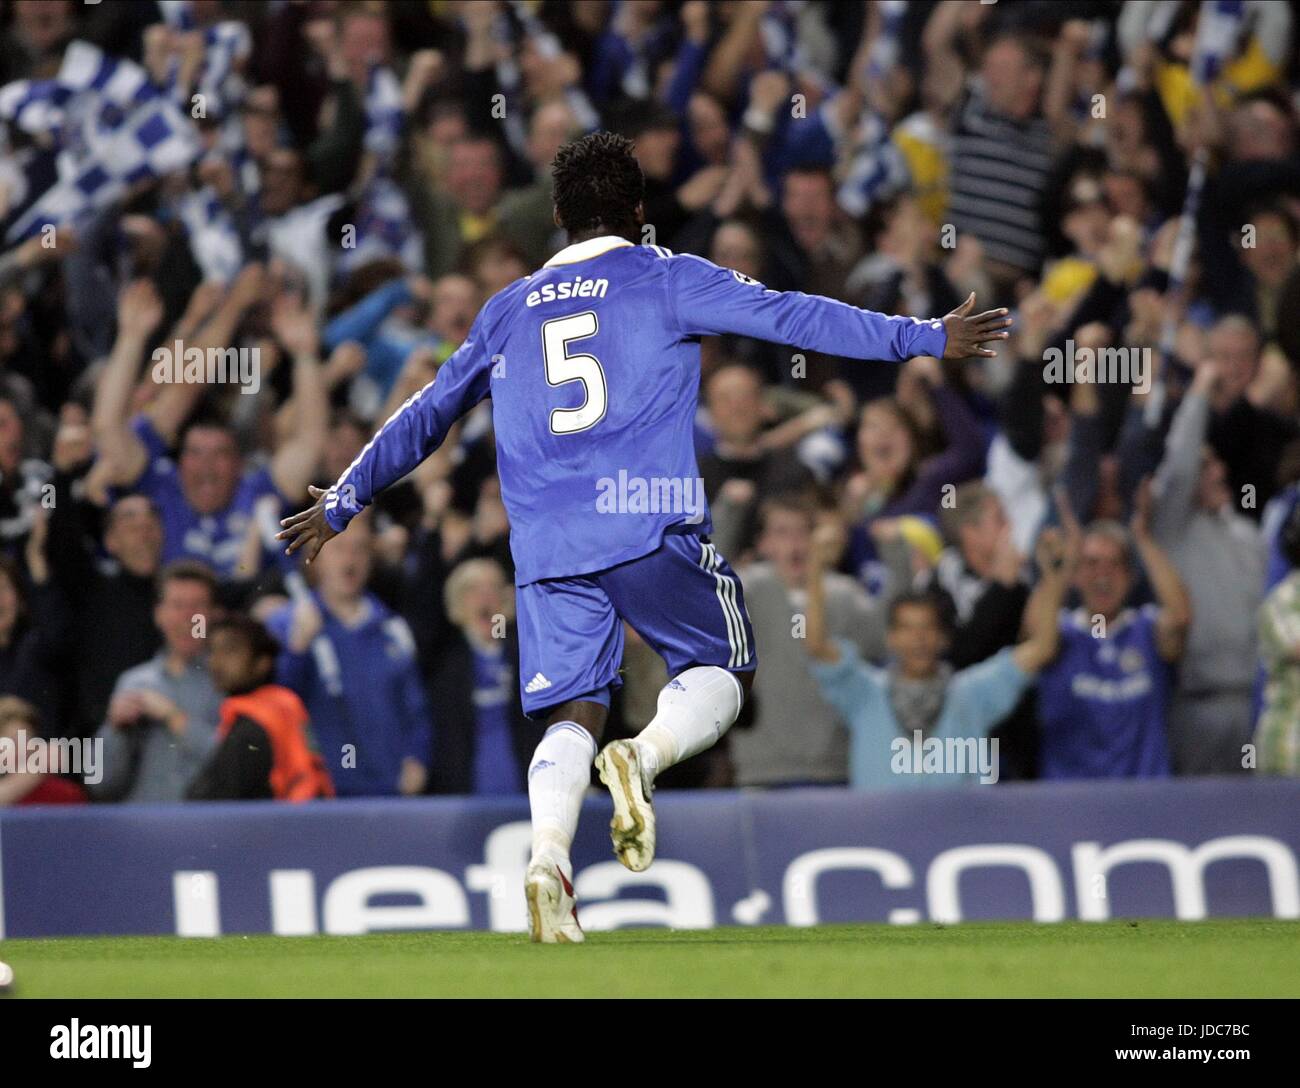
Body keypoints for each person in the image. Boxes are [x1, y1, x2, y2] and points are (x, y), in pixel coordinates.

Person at [277, 131, 1012, 942]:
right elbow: (792, 315)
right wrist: (925, 336)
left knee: (571, 713)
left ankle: (547, 855)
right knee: (723, 666)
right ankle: (647, 756)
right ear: (638, 210)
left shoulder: (506, 309)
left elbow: (426, 415)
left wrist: (343, 499)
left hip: (548, 549)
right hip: (646, 519)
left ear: (556, 214)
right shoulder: (667, 277)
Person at [804, 521, 1068, 790]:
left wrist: (1054, 575)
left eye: (927, 628)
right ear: (890, 638)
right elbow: (816, 645)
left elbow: (1043, 647)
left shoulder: (973, 693)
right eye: (907, 628)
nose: (918, 638)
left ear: (943, 638)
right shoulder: (864, 692)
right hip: (879, 831)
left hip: (959, 830)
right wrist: (814, 568)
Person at [187, 615, 334, 802]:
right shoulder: (286, 704)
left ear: (262, 662)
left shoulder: (251, 727)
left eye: (230, 651)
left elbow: (217, 802)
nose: (216, 662)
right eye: (213, 651)